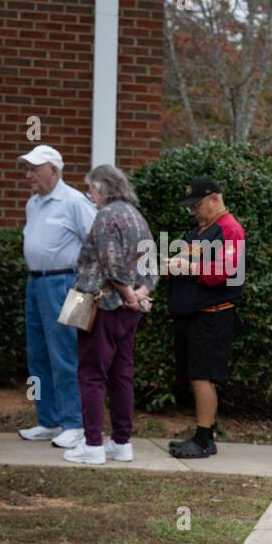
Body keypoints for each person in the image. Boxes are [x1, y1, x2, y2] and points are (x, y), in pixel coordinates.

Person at [62, 165, 157, 465]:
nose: (91, 195)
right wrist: (141, 295)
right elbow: (152, 262)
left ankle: (92, 446)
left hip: (100, 304)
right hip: (127, 312)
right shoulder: (136, 216)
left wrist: (129, 296)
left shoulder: (106, 216)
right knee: (121, 375)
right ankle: (121, 442)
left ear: (102, 187)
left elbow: (110, 263)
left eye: (91, 189)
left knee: (91, 375)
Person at [17, 145, 95, 449]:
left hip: (66, 284)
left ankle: (73, 423)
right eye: (27, 169)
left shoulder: (75, 201)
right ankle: (47, 420)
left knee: (67, 354)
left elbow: (95, 243)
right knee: (38, 354)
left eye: (34, 169)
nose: (28, 175)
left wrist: (85, 287)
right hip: (35, 284)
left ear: (53, 169)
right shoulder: (33, 204)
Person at [164, 177, 246, 459]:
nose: (193, 212)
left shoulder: (230, 229)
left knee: (202, 377)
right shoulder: (202, 229)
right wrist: (169, 265)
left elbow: (227, 269)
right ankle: (204, 436)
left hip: (212, 316)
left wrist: (186, 266)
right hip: (194, 314)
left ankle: (202, 438)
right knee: (195, 376)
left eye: (197, 205)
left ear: (215, 199)